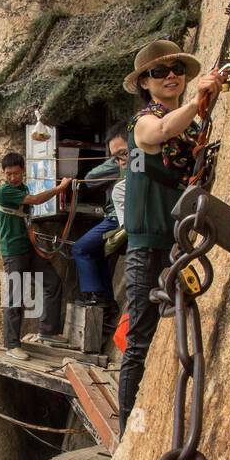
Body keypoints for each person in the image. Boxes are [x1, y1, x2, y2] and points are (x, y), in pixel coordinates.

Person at [118, 39, 225, 434]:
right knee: (140, 338)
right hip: (149, 245)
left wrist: (199, 106)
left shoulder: (189, 124)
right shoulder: (142, 123)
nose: (171, 76)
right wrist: (197, 101)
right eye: (160, 72)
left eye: (177, 70)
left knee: (166, 326)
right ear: (145, 83)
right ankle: (127, 428)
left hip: (177, 242)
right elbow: (160, 130)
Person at [0, 151, 69, 361]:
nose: (12, 178)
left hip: (27, 248)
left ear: (23, 172)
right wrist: (60, 188)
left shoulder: (21, 187)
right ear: (3, 173)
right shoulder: (5, 192)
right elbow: (36, 200)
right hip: (13, 252)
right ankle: (11, 345)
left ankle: (47, 331)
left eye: (16, 173)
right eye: (8, 174)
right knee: (15, 299)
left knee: (53, 282)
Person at [70, 124, 128, 319]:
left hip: (116, 219)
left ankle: (97, 295)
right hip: (117, 216)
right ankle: (107, 301)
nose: (121, 160)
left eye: (122, 154)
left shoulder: (123, 162)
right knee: (96, 252)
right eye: (117, 156)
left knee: (80, 248)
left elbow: (90, 179)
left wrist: (113, 162)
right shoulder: (136, 160)